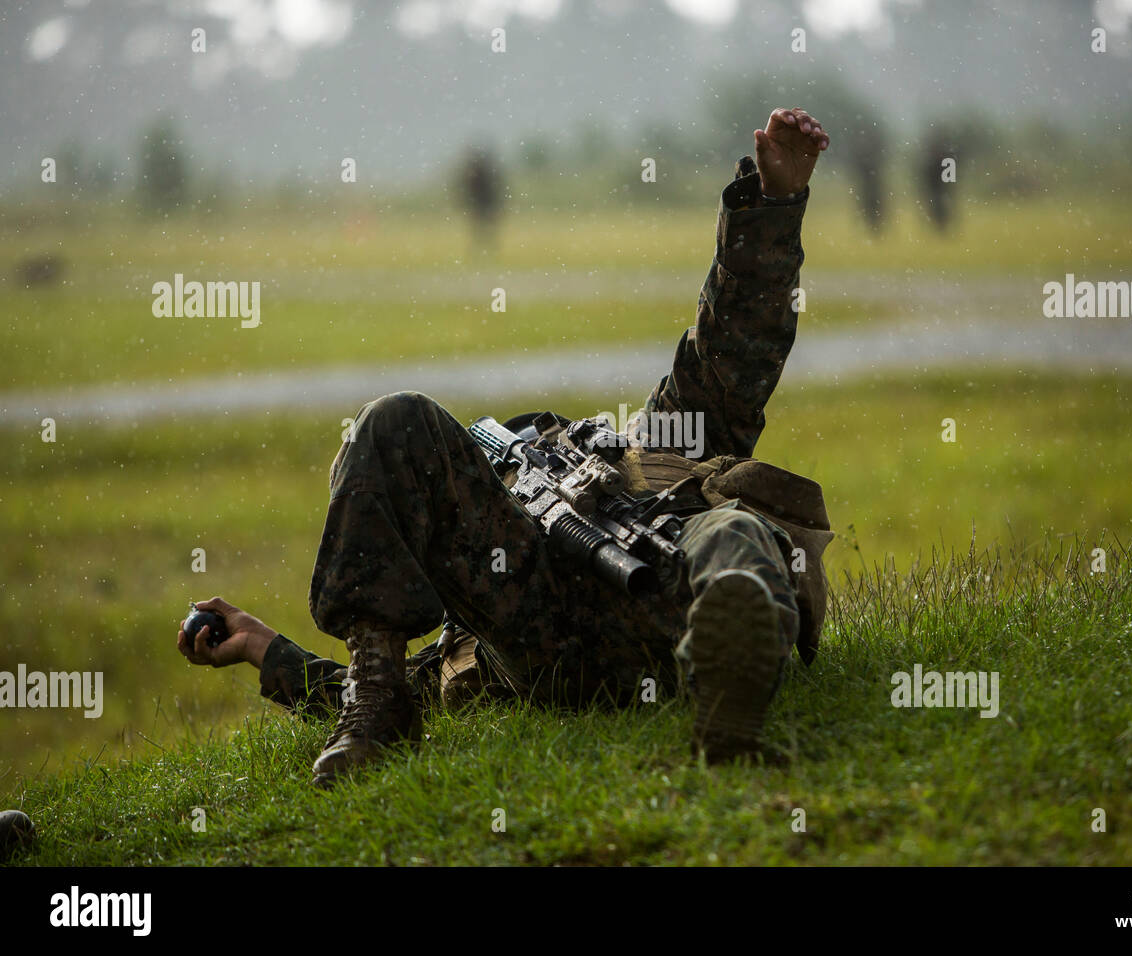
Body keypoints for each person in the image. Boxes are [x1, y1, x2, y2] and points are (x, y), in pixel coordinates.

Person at [178, 108, 834, 787]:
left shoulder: (665, 443)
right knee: (393, 418)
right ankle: (374, 714)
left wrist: (774, 202)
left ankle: (728, 704)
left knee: (733, 531)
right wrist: (262, 647)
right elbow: (426, 679)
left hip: (658, 603)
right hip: (544, 638)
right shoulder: (493, 565)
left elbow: (732, 338)